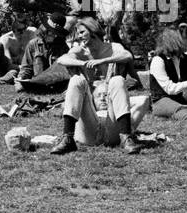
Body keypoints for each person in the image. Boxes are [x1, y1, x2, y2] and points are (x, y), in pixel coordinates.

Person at [48, 16, 150, 155]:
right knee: (76, 80)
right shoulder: (80, 51)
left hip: (111, 125)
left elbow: (127, 56)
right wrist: (83, 64)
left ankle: (126, 137)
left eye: (82, 32)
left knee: (117, 80)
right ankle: (67, 138)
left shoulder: (113, 48)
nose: (79, 36)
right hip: (89, 123)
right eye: (78, 33)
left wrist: (102, 61)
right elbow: (62, 59)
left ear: (93, 30)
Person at [15, 15, 72, 94]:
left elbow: (69, 70)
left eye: (56, 33)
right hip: (37, 83)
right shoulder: (33, 44)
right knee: (20, 87)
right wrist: (20, 79)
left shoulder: (63, 46)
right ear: (44, 30)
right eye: (51, 32)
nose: (54, 35)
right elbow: (26, 68)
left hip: (57, 85)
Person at [0, 13, 36, 84]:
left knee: (14, 73)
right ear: (13, 29)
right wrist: (23, 67)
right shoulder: (6, 39)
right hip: (6, 68)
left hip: (17, 71)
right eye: (19, 30)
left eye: (24, 28)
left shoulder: (31, 33)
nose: (23, 32)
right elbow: (9, 65)